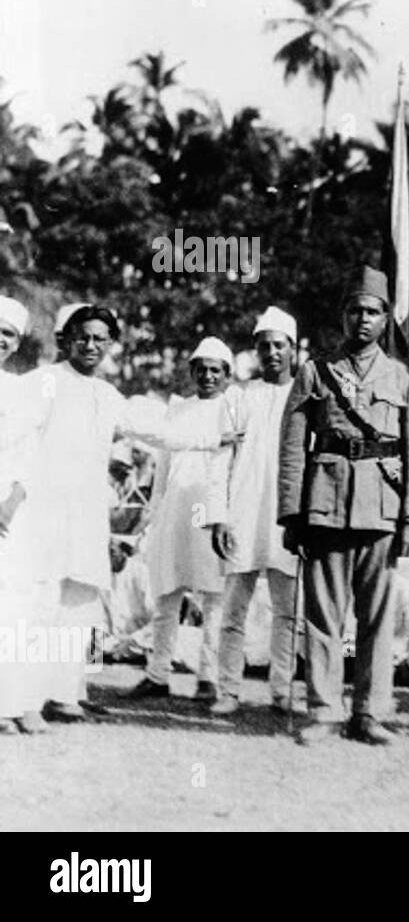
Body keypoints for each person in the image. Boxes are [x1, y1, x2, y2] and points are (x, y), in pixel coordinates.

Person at [18, 305, 234, 722]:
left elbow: (160, 431)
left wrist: (213, 436)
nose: (91, 345)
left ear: (110, 345)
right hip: (42, 510)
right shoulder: (40, 383)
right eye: (83, 336)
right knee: (42, 603)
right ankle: (27, 702)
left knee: (80, 605)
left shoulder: (107, 395)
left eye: (101, 339)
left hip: (85, 512)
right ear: (66, 339)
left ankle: (64, 695)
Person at [279, 268, 409, 746]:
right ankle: (323, 712)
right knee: (323, 617)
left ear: (386, 319)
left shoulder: (403, 377)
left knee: (378, 620)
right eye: (354, 311)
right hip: (324, 505)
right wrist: (291, 514)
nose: (362, 319)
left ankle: (370, 714)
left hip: (382, 508)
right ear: (343, 316)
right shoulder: (315, 371)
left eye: (372, 311)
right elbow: (292, 446)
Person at [126, 337, 239, 703]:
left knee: (213, 599)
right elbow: (163, 465)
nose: (207, 376)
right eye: (201, 369)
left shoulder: (234, 410)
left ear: (227, 375)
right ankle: (158, 674)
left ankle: (208, 679)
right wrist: (155, 512)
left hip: (212, 511)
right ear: (191, 371)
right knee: (166, 594)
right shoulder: (176, 409)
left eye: (215, 370)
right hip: (175, 509)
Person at [206, 308, 299, 717]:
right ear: (256, 352)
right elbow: (218, 459)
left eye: (280, 345)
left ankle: (282, 690)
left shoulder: (305, 397)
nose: (272, 352)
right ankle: (228, 690)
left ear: (293, 349)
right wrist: (219, 516)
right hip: (242, 514)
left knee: (287, 612)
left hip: (285, 517)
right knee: (233, 611)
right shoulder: (238, 397)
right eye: (265, 346)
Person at [0, 295, 47, 734]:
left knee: (16, 602)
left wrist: (12, 501)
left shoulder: (19, 390)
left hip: (9, 508)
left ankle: (17, 700)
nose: (0, 339)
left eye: (8, 334)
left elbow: (31, 455)